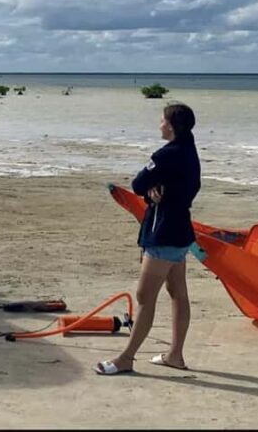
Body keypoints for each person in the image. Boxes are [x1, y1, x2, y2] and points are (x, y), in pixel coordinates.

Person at [95, 103, 201, 375]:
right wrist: (156, 191)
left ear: (172, 126)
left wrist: (151, 191)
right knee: (178, 292)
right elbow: (190, 186)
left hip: (164, 232)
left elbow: (138, 183)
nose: (159, 125)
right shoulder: (190, 150)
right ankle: (175, 355)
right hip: (181, 231)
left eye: (162, 121)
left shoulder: (166, 154)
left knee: (144, 296)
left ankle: (126, 358)